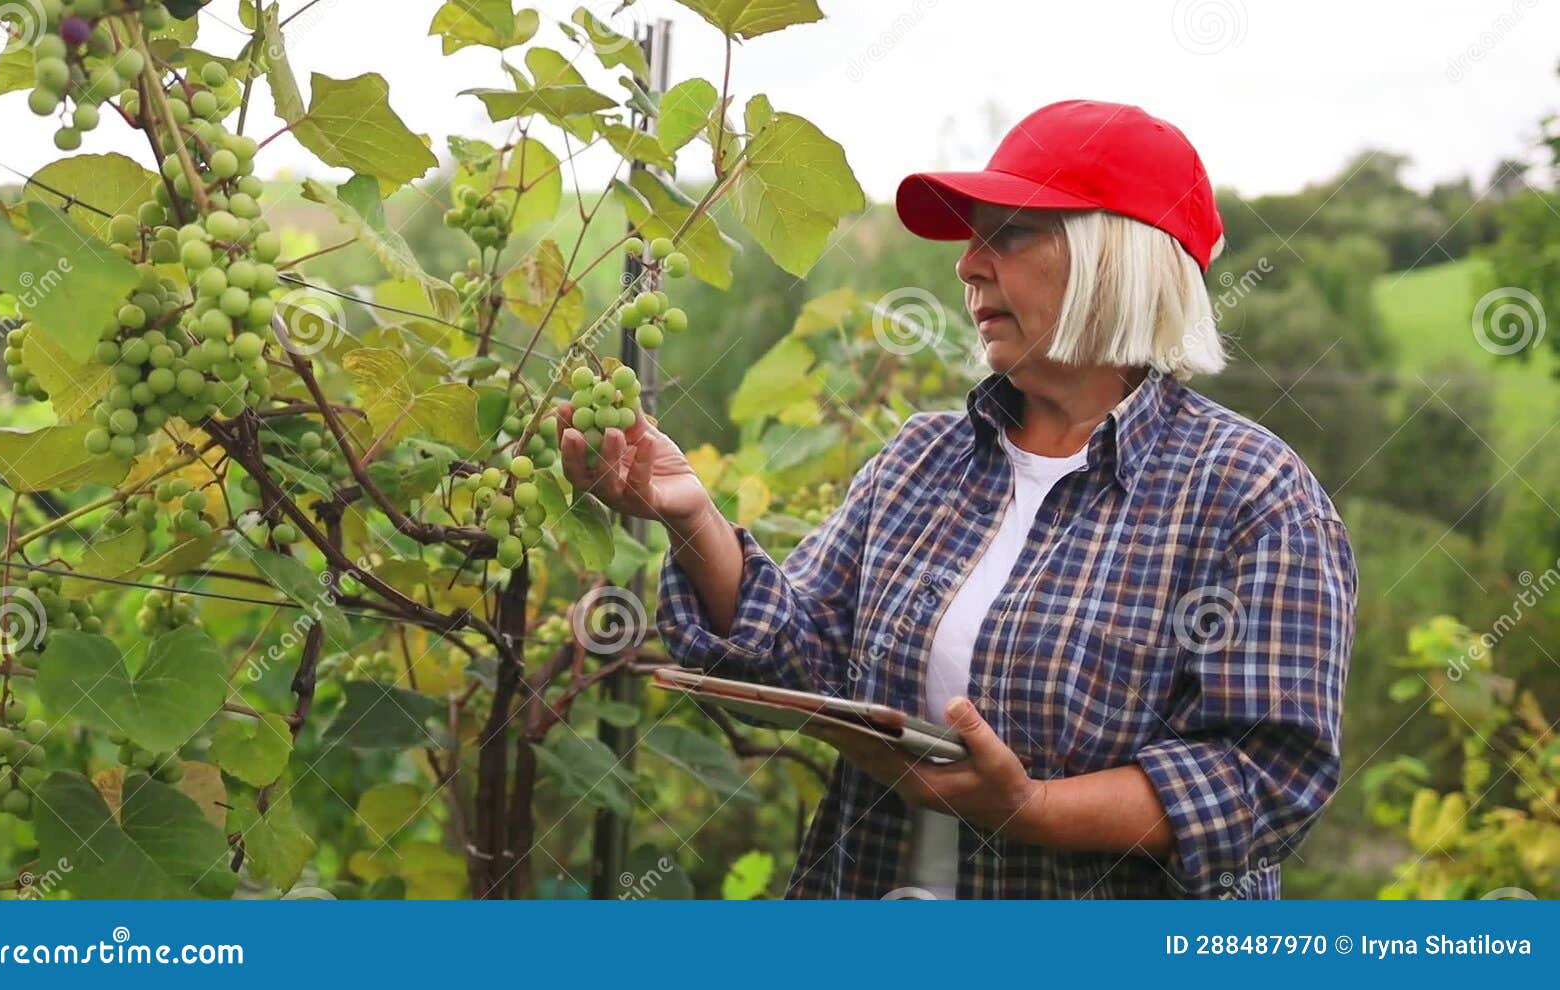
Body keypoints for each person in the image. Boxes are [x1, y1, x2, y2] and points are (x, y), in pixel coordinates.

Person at [556, 99, 1357, 899]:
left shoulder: (1251, 495)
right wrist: (689, 514)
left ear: (1114, 259)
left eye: (1007, 233)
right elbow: (800, 649)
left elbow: (1264, 777)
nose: (968, 265)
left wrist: (1034, 809)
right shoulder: (924, 458)